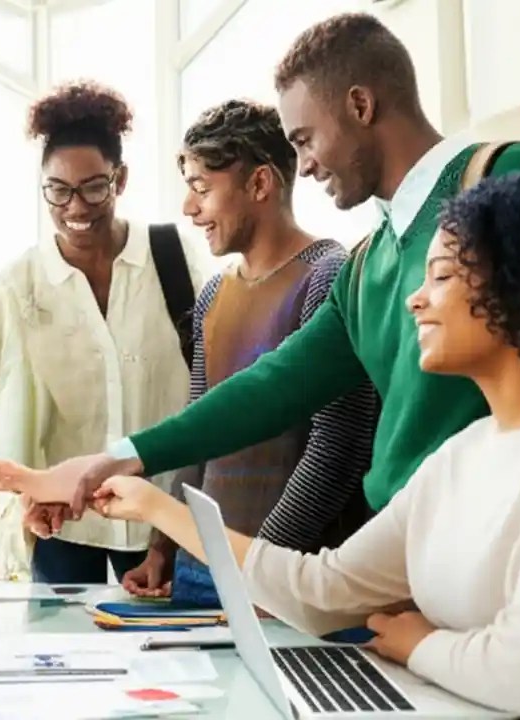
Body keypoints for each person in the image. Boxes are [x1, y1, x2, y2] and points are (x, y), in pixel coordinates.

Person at [26, 12, 520, 525]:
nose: (302, 168)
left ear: (361, 105)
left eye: (305, 140)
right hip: (411, 562)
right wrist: (119, 456)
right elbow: (272, 386)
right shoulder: (366, 267)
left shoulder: (511, 179)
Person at [81, 174, 520, 720]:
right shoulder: (464, 454)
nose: (416, 299)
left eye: (443, 275)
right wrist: (155, 506)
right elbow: (324, 592)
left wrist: (420, 646)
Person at [0, 79, 208, 585]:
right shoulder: (21, 283)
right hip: (62, 518)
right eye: (58, 190)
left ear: (120, 179)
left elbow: (211, 376)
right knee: (61, 656)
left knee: (169, 654)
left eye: (93, 186)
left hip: (159, 518)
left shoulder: (172, 259)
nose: (76, 207)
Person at [119, 99, 378, 603]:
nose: (189, 208)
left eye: (201, 188)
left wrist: (262, 565)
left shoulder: (327, 275)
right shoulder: (214, 293)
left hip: (285, 580)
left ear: (260, 184)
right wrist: (164, 546)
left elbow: (338, 446)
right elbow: (199, 431)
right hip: (203, 571)